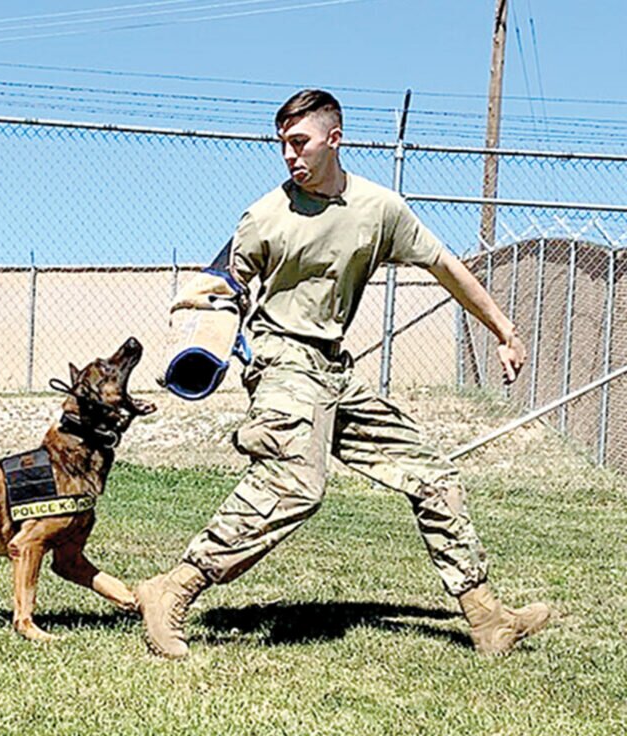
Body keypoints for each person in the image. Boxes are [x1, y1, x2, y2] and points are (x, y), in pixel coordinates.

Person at [136, 89, 551, 659]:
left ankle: (488, 619)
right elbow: (224, 278)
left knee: (433, 474)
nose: (289, 154)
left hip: (335, 369)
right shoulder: (266, 215)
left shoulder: (380, 209)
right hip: (281, 360)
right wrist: (205, 309)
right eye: (282, 143)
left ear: (335, 138)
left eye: (299, 141)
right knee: (296, 485)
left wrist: (502, 327)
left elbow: (445, 267)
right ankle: (172, 590)